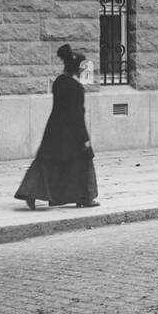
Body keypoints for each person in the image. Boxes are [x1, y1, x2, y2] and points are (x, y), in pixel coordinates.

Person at [15, 44, 100, 209]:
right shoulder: (76, 88)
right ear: (77, 69)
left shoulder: (59, 82)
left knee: (47, 163)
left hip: (54, 129)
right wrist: (84, 139)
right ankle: (85, 197)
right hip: (70, 134)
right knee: (83, 161)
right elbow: (77, 117)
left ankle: (32, 192)